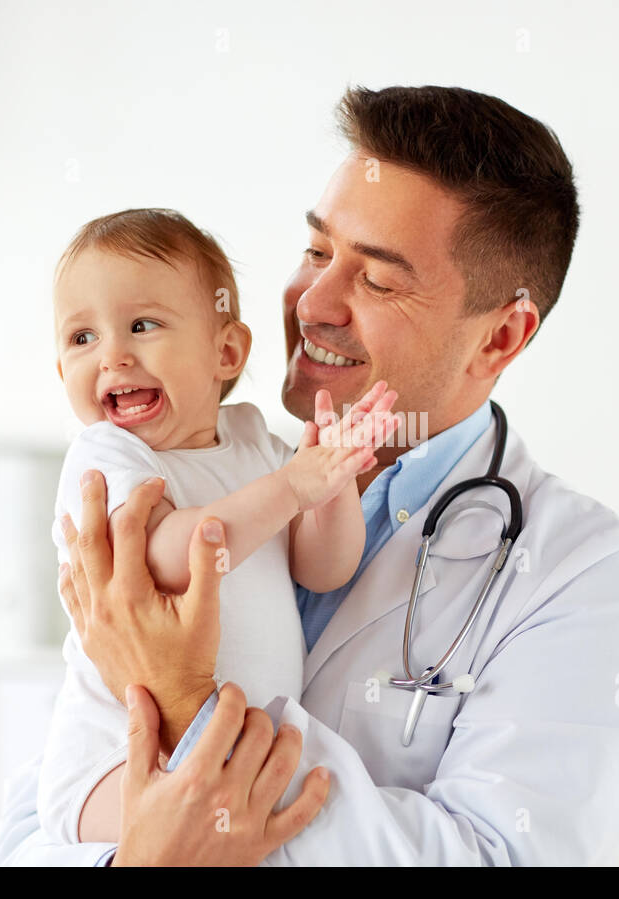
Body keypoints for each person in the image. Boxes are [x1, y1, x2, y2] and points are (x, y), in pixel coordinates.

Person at [0, 84, 619, 866]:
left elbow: (492, 859)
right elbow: (29, 832)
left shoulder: (588, 581)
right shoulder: (198, 471)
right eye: (317, 252)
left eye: (377, 280)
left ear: (500, 337)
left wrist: (187, 708)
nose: (312, 302)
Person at [39, 207, 399, 845]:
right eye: (81, 338)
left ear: (225, 351)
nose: (112, 355)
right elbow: (165, 558)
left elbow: (322, 567)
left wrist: (332, 486)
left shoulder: (253, 441)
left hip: (229, 753)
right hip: (116, 760)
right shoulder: (110, 456)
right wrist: (291, 487)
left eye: (142, 326)